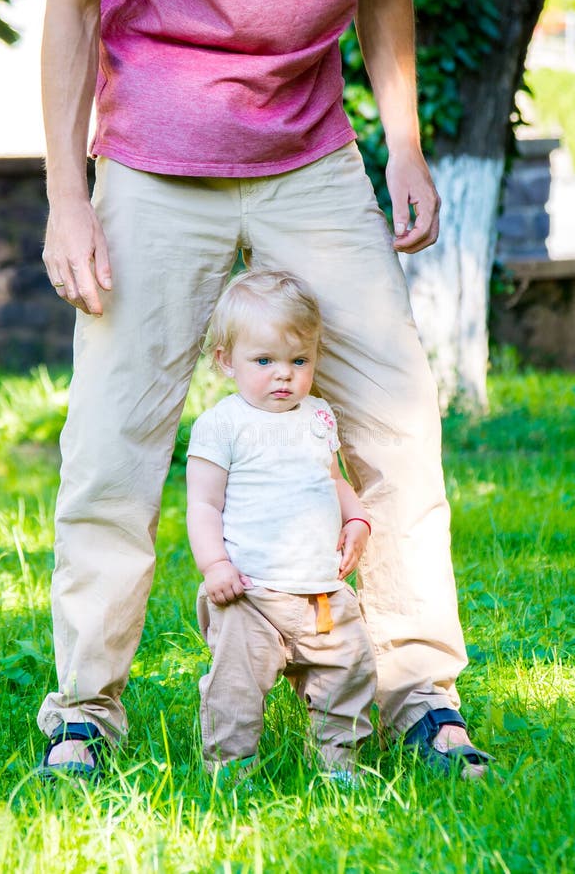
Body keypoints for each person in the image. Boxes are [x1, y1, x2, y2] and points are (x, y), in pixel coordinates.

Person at [39, 0, 493, 779]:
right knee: (112, 444)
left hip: (310, 160)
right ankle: (85, 713)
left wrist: (406, 148)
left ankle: (421, 696)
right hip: (153, 163)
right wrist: (67, 196)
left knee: (399, 422)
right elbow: (72, 4)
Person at [187, 269, 377, 780]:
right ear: (226, 360)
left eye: (299, 361)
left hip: (320, 590)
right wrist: (215, 565)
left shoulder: (318, 415)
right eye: (264, 360)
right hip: (250, 592)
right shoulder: (222, 425)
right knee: (237, 686)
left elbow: (332, 478)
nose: (284, 375)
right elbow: (203, 505)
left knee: (348, 671)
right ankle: (231, 767)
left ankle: (341, 763)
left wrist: (355, 515)